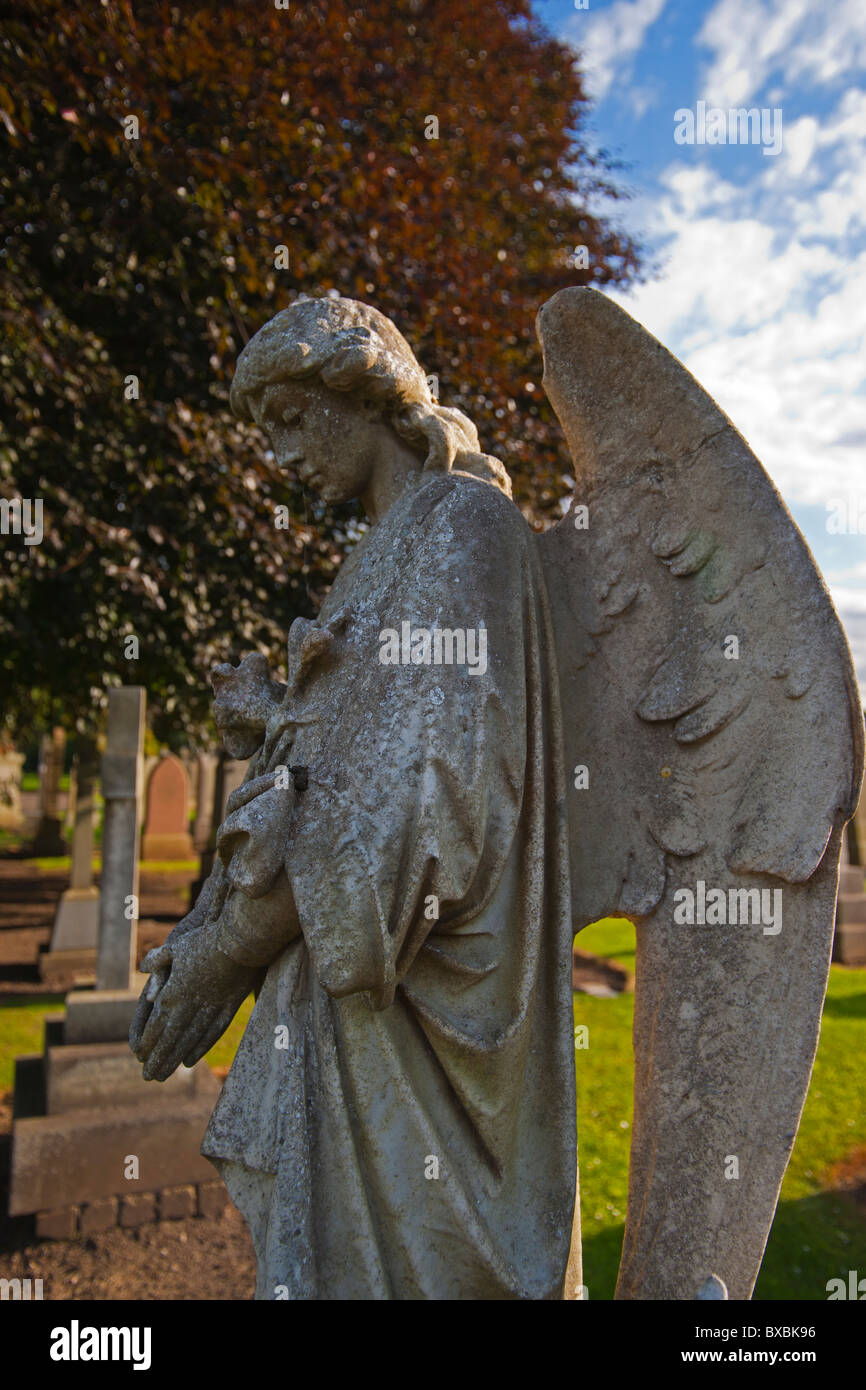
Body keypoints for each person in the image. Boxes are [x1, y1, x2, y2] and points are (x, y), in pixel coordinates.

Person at [131, 296, 577, 1299]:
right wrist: (270, 726)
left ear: (361, 389)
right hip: (343, 1003)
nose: (277, 454)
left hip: (416, 1011)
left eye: (290, 418)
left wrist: (220, 953)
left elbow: (424, 800)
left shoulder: (465, 525)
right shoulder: (375, 555)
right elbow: (347, 765)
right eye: (264, 431)